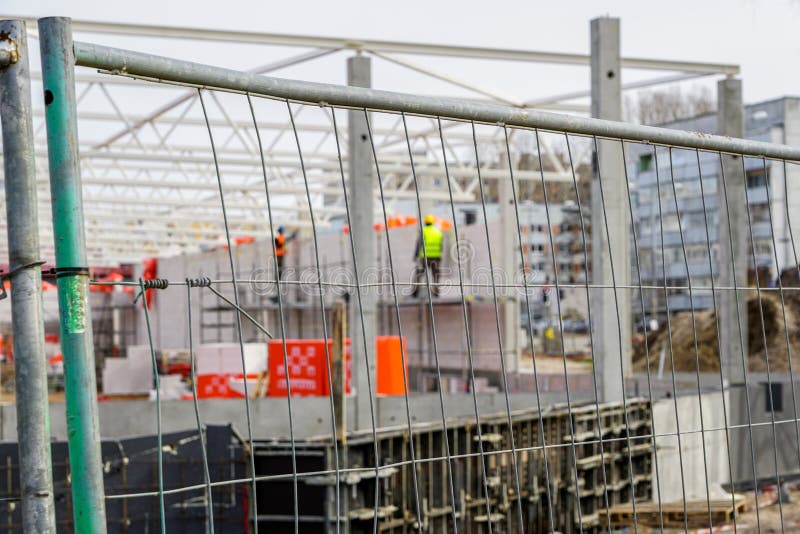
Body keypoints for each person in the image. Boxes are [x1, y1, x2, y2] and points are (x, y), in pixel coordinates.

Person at [411, 215, 443, 298]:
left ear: (425, 222)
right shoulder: (438, 232)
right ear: (433, 222)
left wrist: (416, 255)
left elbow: (419, 244)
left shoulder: (424, 231)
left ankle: (415, 292)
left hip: (425, 257)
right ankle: (436, 292)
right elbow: (441, 246)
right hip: (436, 257)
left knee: (419, 274)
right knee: (436, 275)